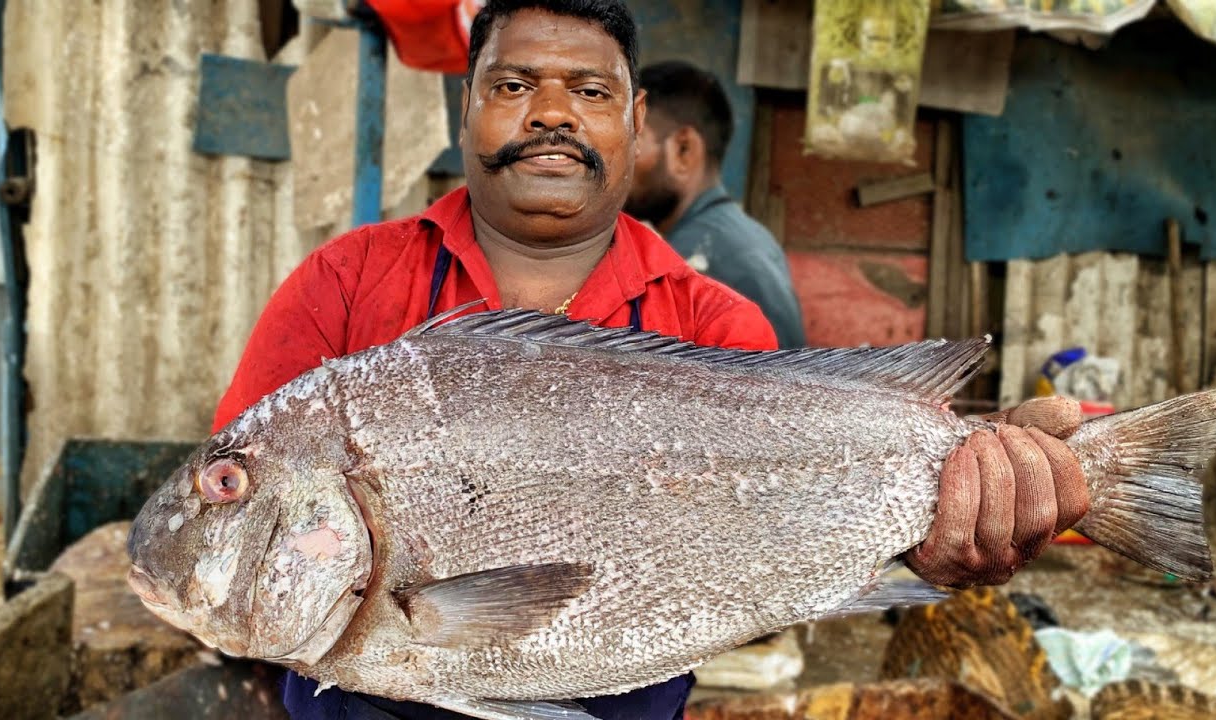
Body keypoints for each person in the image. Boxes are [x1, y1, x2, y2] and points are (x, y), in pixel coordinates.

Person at [210, 1, 1089, 718]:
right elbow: (250, 520)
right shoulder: (344, 282)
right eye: (512, 84)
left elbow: (785, 552)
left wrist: (950, 518)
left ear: (635, 122)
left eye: (589, 90)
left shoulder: (714, 321)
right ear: (465, 106)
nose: (550, 113)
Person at [625, 60, 806, 349]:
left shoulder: (701, 258)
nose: (618, 158)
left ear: (683, 149)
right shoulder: (745, 237)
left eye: (634, 140)